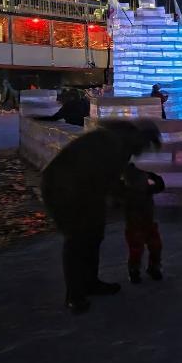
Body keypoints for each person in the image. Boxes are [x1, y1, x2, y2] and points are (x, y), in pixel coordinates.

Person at [41, 120, 161, 313]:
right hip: (62, 189)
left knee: (94, 234)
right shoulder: (111, 142)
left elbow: (111, 180)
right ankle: (74, 295)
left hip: (86, 190)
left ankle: (90, 283)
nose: (145, 149)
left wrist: (134, 193)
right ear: (139, 137)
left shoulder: (123, 144)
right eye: (147, 143)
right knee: (77, 239)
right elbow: (107, 180)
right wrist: (134, 196)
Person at [121, 161, 166, 283]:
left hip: (143, 223)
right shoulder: (132, 191)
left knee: (151, 247)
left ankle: (142, 269)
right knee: (139, 248)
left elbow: (160, 186)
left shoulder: (141, 190)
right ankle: (139, 269)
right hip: (136, 224)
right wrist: (152, 176)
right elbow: (160, 185)